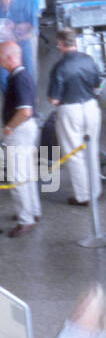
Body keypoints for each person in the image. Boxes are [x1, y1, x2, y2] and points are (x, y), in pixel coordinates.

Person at [46, 28, 102, 208]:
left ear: (60, 44)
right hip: (91, 107)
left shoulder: (59, 67)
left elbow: (54, 99)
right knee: (92, 149)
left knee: (74, 154)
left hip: (70, 110)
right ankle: (95, 190)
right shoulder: (89, 60)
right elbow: (97, 86)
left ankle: (83, 195)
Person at [0, 39, 40, 236]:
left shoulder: (19, 78)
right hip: (26, 130)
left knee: (17, 176)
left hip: (20, 131)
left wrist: (8, 127)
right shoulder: (23, 76)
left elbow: (25, 111)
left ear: (8, 57)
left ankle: (25, 220)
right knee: (28, 173)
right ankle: (33, 211)